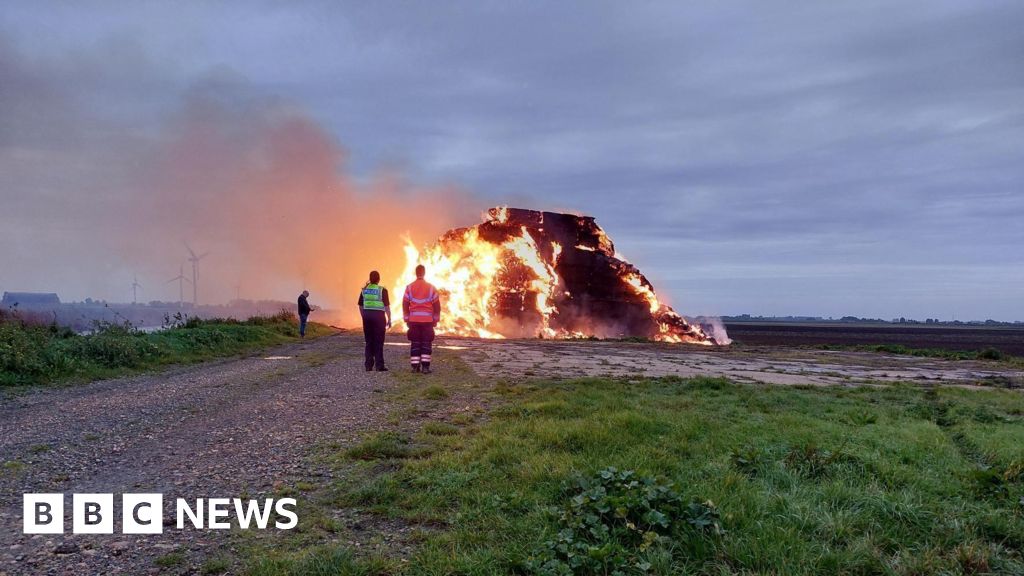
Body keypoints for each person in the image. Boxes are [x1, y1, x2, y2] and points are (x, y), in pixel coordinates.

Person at [402, 264, 441, 374]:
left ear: (416, 273)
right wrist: (435, 319)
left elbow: (405, 304)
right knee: (426, 344)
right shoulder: (431, 288)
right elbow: (437, 306)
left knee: (415, 343)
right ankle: (425, 368)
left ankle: (415, 367)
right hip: (427, 321)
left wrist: (406, 318)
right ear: (424, 273)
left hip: (413, 320)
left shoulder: (409, 287)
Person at [357, 271, 391, 371]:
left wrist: (364, 316)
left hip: (367, 317)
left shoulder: (364, 290)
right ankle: (379, 366)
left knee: (369, 341)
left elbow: (360, 305)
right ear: (378, 279)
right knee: (379, 341)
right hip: (379, 317)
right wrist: (389, 318)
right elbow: (387, 307)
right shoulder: (382, 290)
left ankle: (368, 365)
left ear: (370, 278)